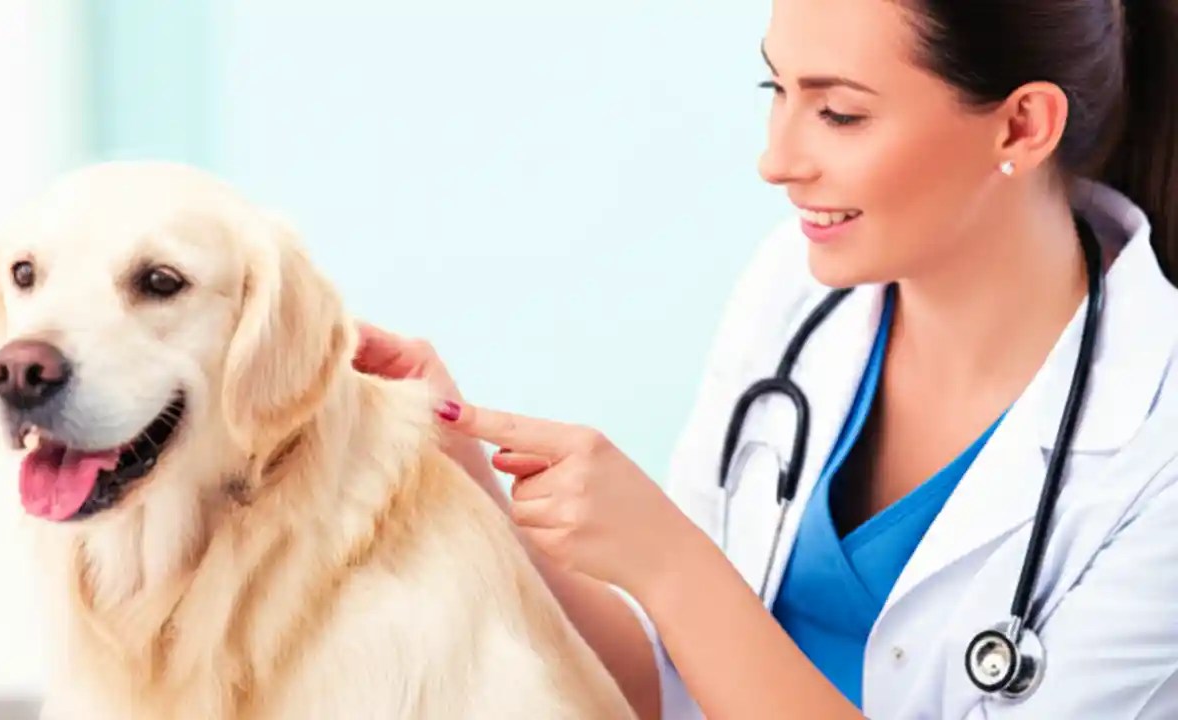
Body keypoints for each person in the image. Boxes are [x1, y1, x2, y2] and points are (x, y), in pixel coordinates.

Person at [352, 0, 1178, 717]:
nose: (775, 160)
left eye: (839, 114)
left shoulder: (1159, 441)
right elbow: (660, 690)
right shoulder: (795, 291)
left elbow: (687, 601)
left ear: (1021, 124)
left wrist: (669, 562)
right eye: (775, 90)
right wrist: (468, 476)